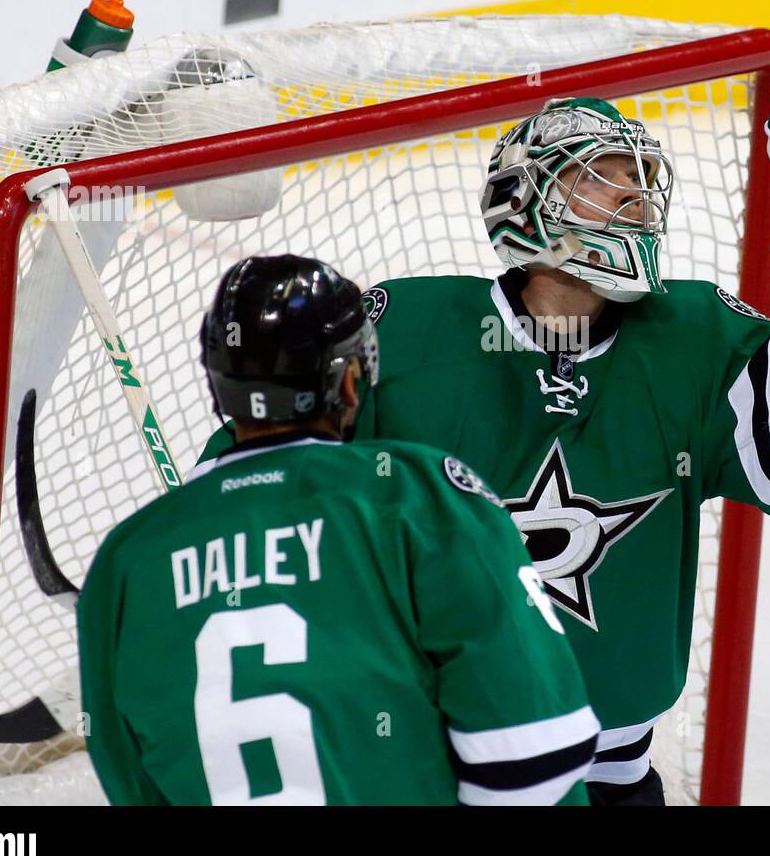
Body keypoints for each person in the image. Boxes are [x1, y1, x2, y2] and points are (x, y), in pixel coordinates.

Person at [205, 60, 770, 805]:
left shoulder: (695, 337)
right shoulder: (410, 328)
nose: (634, 198)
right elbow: (269, 481)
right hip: (431, 762)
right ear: (523, 197)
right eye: (599, 177)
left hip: (615, 771)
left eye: (640, 180)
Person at [79, 254, 600, 805]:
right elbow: (537, 755)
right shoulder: (417, 494)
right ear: (351, 381)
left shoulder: (126, 559)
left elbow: (130, 783)